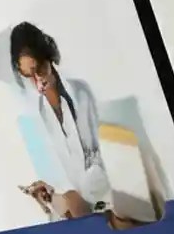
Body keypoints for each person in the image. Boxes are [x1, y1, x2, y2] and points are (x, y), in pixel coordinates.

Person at [10, 21, 112, 221]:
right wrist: (56, 194)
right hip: (67, 213)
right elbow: (49, 172)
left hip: (103, 200)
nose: (38, 80)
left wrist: (86, 194)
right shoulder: (33, 114)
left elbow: (103, 151)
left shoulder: (82, 93)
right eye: (28, 75)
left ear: (47, 56)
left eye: (39, 69)